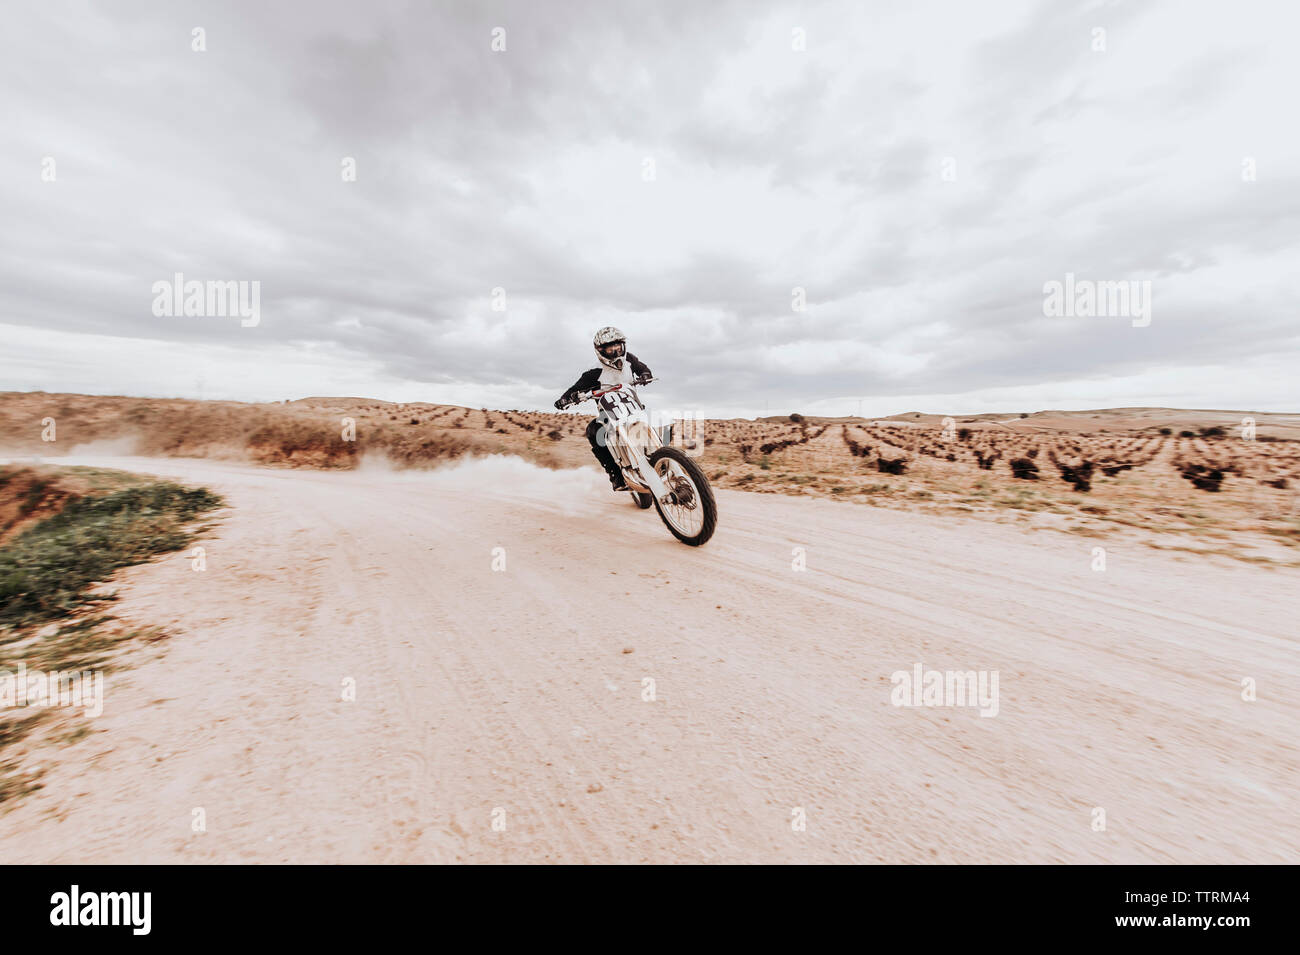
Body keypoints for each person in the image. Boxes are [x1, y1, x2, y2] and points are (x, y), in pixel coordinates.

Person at [554, 326, 653, 491]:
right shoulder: (594, 371)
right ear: (600, 350)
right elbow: (574, 389)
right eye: (610, 347)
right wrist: (565, 399)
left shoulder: (630, 359)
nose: (615, 350)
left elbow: (643, 369)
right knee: (594, 431)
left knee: (660, 423)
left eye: (617, 345)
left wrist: (645, 375)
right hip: (609, 414)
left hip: (634, 408)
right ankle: (615, 474)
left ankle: (668, 458)